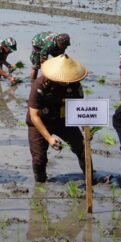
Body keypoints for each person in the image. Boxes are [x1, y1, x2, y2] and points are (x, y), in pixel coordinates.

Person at [26, 55, 92, 183]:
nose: (67, 82)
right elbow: (34, 115)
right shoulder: (40, 85)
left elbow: (79, 108)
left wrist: (85, 129)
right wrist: (49, 138)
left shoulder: (75, 85)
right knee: (39, 158)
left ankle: (90, 179)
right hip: (40, 122)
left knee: (82, 148)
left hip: (64, 120)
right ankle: (40, 185)